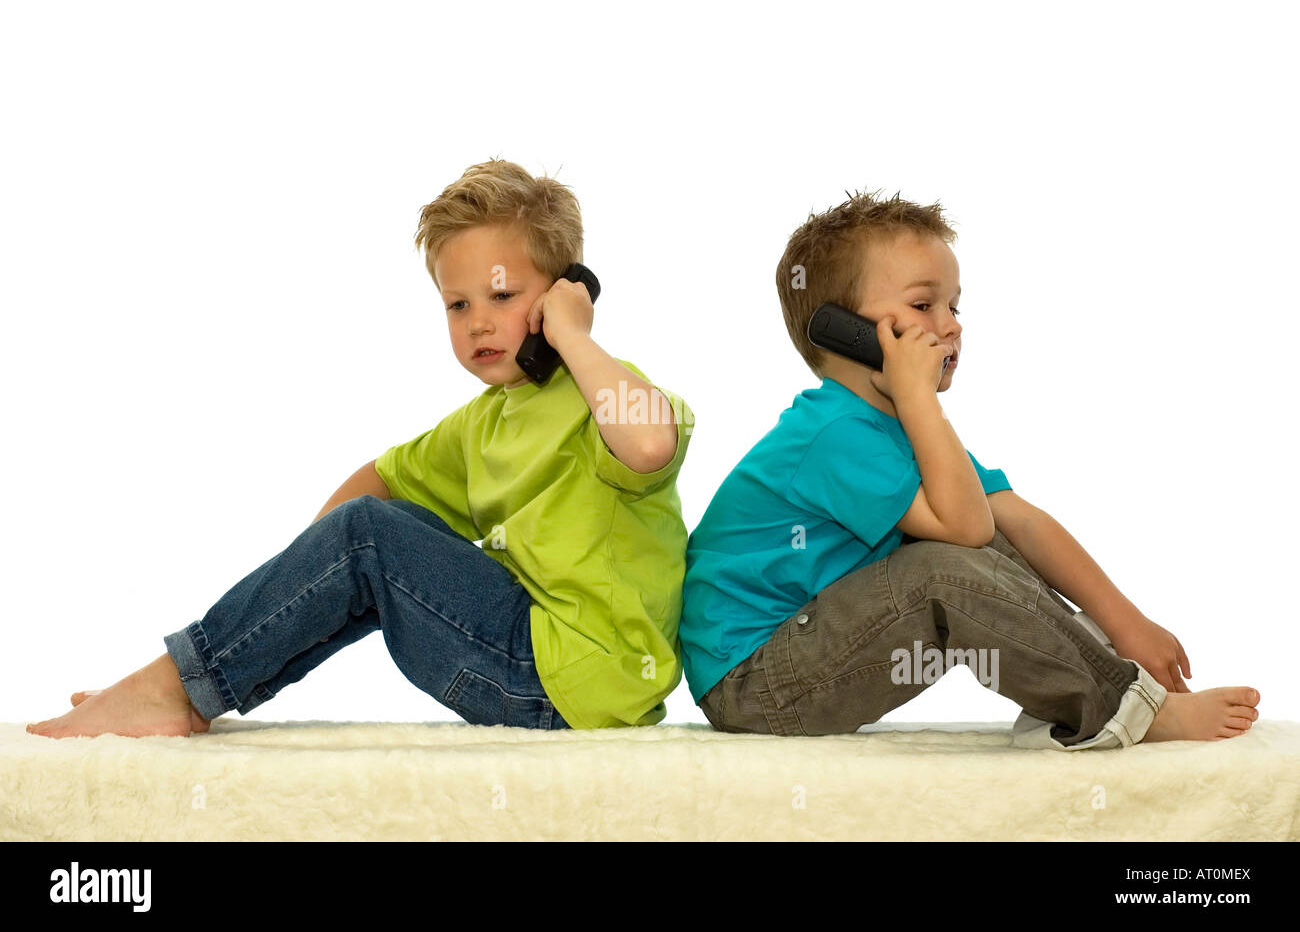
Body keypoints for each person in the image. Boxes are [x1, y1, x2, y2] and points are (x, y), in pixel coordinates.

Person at [27, 159, 693, 738]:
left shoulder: (605, 391)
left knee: (369, 539)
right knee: (377, 528)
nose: (479, 321)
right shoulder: (482, 423)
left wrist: (574, 335)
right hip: (532, 664)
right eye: (456, 305)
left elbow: (649, 443)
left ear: (560, 292)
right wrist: (295, 589)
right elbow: (380, 480)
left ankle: (177, 687)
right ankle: (199, 692)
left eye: (502, 294)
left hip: (577, 678)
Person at [679, 189, 1258, 747]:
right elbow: (966, 532)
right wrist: (920, 398)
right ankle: (1122, 711)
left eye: (954, 305)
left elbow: (1015, 522)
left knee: (979, 529)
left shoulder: (898, 428)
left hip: (807, 651)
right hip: (755, 683)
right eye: (923, 305)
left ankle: (1086, 680)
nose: (951, 323)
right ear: (843, 329)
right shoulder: (832, 434)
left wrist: (1128, 622)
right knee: (939, 565)